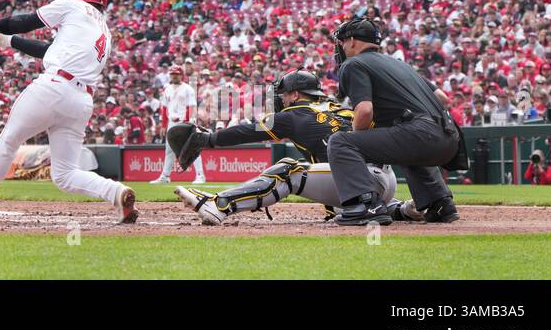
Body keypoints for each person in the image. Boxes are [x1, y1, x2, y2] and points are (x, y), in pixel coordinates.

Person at [0, 0, 137, 224]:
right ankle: (116, 192)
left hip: (53, 87)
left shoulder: (73, 5)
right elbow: (50, 50)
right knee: (65, 174)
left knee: (9, 140)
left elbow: (26, 21)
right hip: (80, 102)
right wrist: (7, 41)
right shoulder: (104, 31)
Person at [171, 71, 417, 225]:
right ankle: (401, 208)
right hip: (384, 180)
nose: (281, 99)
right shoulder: (341, 107)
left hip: (361, 179)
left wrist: (209, 139)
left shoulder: (293, 114)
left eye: (284, 94)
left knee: (289, 170)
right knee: (336, 188)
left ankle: (220, 205)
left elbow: (248, 130)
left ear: (296, 94)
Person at [326, 17, 462, 225]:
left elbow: (364, 111)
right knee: (406, 143)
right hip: (450, 138)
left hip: (421, 133)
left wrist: (357, 141)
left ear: (352, 41)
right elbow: (442, 97)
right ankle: (440, 203)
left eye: (343, 42)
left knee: (340, 142)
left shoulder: (353, 63)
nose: (342, 47)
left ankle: (366, 205)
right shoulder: (399, 64)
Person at [155, 65, 205, 184]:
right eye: (172, 74)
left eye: (177, 74)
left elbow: (191, 106)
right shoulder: (167, 88)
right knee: (169, 150)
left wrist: (187, 122)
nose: (174, 76)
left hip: (184, 122)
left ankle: (200, 175)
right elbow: (164, 108)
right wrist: (163, 124)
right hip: (172, 122)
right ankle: (165, 176)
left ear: (181, 75)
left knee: (192, 149)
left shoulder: (188, 88)